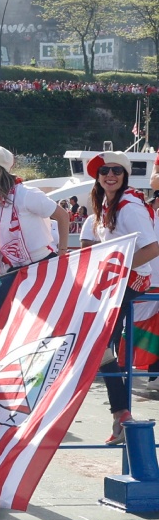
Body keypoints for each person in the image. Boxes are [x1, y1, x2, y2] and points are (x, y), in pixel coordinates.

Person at [86, 152, 159, 444]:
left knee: (101, 345)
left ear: (125, 174)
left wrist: (118, 269)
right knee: (102, 347)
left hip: (132, 281)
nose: (109, 174)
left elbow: (153, 248)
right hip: (115, 282)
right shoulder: (107, 204)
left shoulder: (129, 206)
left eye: (116, 170)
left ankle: (121, 414)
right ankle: (121, 414)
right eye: (104, 170)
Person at [0, 145, 69, 325]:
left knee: (50, 324)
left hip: (42, 266)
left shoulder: (25, 195)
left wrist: (62, 252)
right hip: (11, 270)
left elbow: (62, 216)